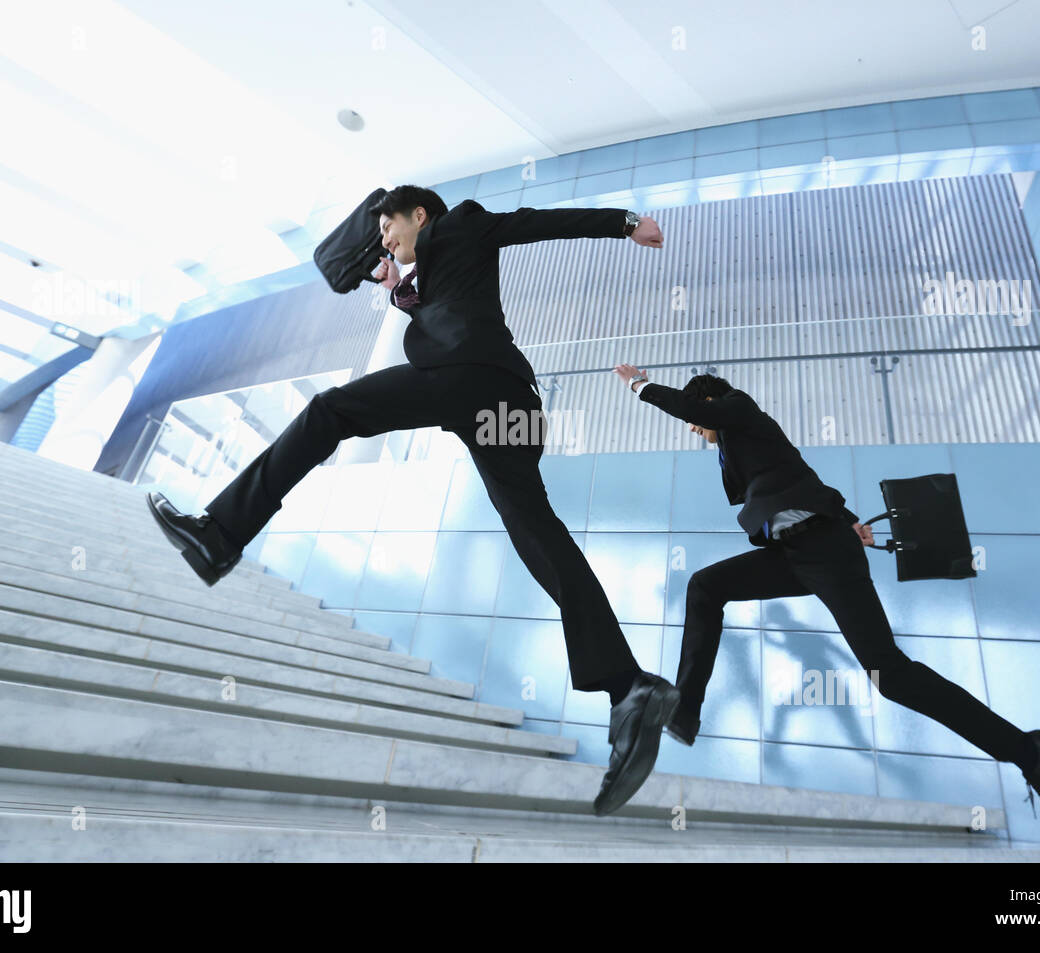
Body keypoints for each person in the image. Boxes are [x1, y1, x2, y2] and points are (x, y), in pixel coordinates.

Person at [146, 185, 678, 816]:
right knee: (538, 536)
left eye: (389, 228)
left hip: (471, 381)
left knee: (330, 410)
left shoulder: (465, 223)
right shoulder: (440, 271)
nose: (385, 240)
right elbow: (442, 307)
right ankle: (628, 687)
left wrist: (623, 222)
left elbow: (536, 221)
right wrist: (399, 286)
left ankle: (221, 534)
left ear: (419, 214)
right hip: (508, 406)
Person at [612, 362, 1040, 845]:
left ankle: (1030, 752)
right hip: (795, 553)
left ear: (709, 401)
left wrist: (639, 385)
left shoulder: (741, 410)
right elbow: (800, 476)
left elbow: (696, 412)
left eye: (697, 416)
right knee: (705, 587)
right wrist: (848, 519)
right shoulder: (739, 441)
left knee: (890, 675)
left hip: (823, 552)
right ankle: (685, 712)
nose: (692, 428)